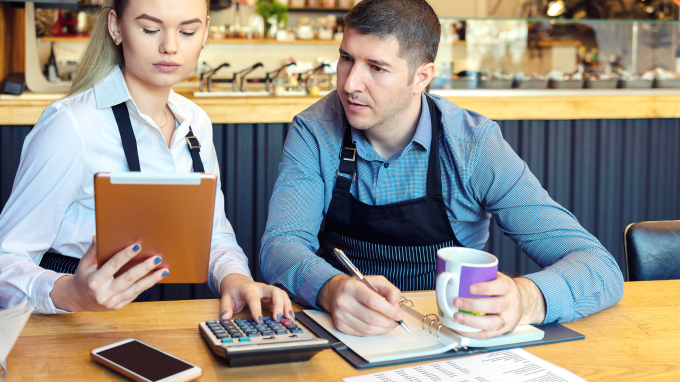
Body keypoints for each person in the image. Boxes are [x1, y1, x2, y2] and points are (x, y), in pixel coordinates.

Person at [260, 0, 624, 339]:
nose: (350, 83)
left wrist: (526, 300)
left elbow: (599, 267)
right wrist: (330, 288)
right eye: (345, 59)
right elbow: (281, 246)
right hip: (348, 335)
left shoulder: (473, 145)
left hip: (451, 339)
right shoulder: (315, 130)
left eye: (376, 67)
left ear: (422, 77)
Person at [0, 0, 292, 323]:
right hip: (62, 327)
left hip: (142, 323)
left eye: (188, 31)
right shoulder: (70, 125)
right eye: (150, 29)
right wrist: (71, 292)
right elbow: (6, 260)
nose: (170, 46)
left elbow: (214, 235)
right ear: (116, 27)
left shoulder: (195, 122)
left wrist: (237, 280)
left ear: (206, 31)